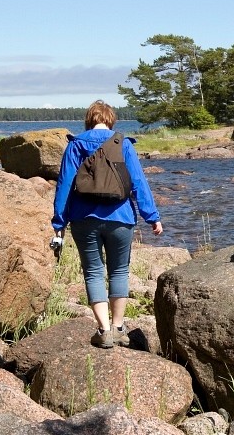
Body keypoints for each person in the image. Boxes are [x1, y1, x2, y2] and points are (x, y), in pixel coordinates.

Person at [52, 100, 163, 348]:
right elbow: (138, 183)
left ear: (89, 119)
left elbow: (64, 186)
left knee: (93, 271)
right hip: (120, 218)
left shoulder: (75, 144)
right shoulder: (123, 143)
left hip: (83, 218)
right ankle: (119, 328)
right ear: (111, 120)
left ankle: (103, 330)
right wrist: (152, 216)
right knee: (119, 271)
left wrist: (59, 222)